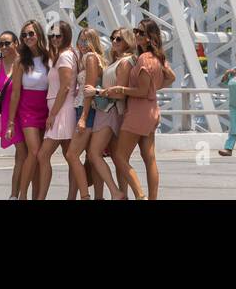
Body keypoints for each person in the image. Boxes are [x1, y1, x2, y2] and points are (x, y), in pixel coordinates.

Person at [104, 19, 166, 199]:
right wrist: (155, 87)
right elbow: (170, 77)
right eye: (136, 31)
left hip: (138, 112)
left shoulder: (144, 59)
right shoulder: (158, 58)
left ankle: (140, 195)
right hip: (152, 111)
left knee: (120, 157)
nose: (137, 35)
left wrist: (121, 89)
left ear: (149, 38)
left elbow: (142, 91)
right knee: (149, 158)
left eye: (141, 32)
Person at [87, 27, 141, 200]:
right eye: (113, 38)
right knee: (118, 158)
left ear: (128, 42)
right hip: (113, 111)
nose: (114, 41)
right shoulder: (118, 60)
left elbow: (119, 92)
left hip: (109, 111)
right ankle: (122, 194)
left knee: (94, 154)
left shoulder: (125, 62)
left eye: (119, 39)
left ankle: (116, 192)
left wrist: (96, 92)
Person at [36, 19, 81, 200]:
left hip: (62, 110)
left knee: (43, 155)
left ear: (66, 35)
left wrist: (52, 115)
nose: (54, 38)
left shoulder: (64, 57)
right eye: (51, 35)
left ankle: (41, 198)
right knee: (71, 157)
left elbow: (64, 87)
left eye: (58, 35)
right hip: (61, 108)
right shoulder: (65, 54)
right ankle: (73, 196)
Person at [7, 18, 49, 200]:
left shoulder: (50, 57)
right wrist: (10, 122)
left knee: (40, 159)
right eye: (24, 35)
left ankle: (37, 197)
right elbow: (15, 93)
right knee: (34, 152)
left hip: (46, 109)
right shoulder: (20, 61)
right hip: (28, 111)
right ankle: (22, 194)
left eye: (31, 33)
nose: (27, 37)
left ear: (39, 34)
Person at [66, 27, 104, 199]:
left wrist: (83, 117)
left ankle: (84, 196)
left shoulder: (90, 58)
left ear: (93, 42)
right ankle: (98, 196)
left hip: (85, 109)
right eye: (80, 40)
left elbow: (88, 90)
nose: (82, 44)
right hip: (84, 108)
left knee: (72, 155)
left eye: (86, 41)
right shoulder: (91, 58)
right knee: (90, 157)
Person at [0, 30, 24, 199]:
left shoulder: (23, 62)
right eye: (0, 44)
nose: (3, 47)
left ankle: (17, 194)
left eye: (7, 43)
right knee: (22, 154)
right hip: (8, 115)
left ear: (16, 44)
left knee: (25, 155)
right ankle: (15, 194)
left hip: (24, 112)